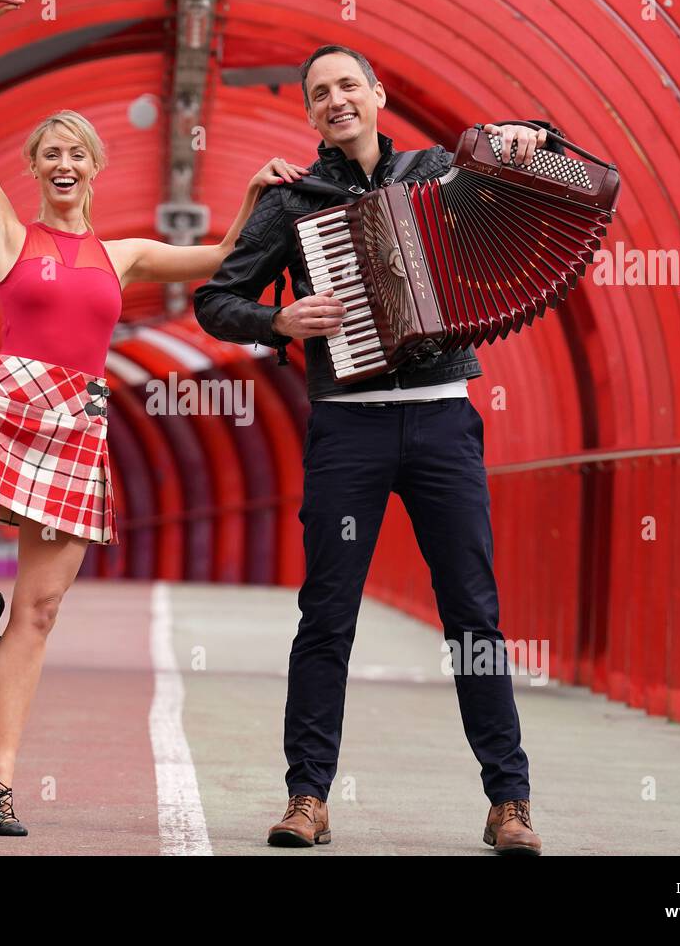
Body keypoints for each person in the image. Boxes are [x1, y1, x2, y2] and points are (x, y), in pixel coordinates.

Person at [0, 0, 307, 837]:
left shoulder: (127, 254)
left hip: (75, 426)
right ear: (34, 169)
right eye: (50, 153)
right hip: (2, 405)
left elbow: (219, 256)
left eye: (77, 153)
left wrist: (256, 192)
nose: (64, 164)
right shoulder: (7, 235)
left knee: (39, 611)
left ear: (95, 169)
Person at [193, 43, 564, 855]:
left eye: (348, 86)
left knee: (473, 613)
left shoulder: (436, 172)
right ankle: (307, 797)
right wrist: (278, 321)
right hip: (348, 427)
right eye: (320, 92)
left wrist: (533, 132)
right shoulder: (295, 202)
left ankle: (509, 802)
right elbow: (214, 300)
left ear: (378, 95)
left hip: (442, 419)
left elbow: (550, 165)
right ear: (309, 112)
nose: (336, 100)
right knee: (327, 613)